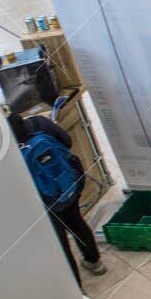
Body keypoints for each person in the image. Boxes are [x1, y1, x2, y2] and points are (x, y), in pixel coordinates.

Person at [9, 111, 106, 288]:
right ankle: (95, 262)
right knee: (76, 222)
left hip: (46, 200)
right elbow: (67, 142)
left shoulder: (8, 150)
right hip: (67, 184)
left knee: (60, 241)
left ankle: (77, 287)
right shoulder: (39, 122)